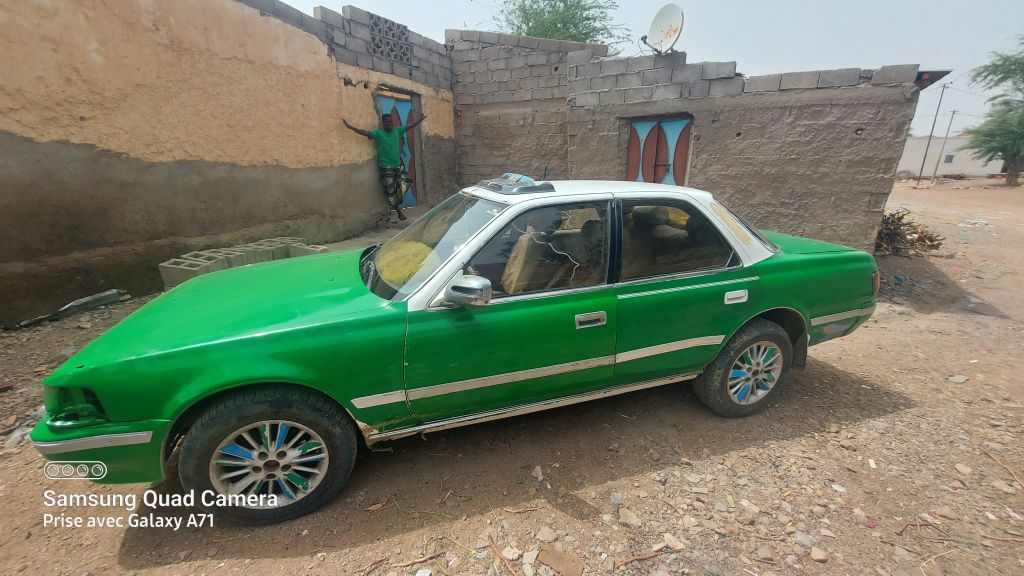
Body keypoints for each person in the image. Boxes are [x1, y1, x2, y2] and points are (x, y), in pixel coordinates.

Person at [344, 112, 426, 221]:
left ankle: (399, 201)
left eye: (391, 122)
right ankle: (399, 212)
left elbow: (410, 125)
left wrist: (421, 119)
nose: (390, 124)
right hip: (386, 168)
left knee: (405, 183)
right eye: (388, 122)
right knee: (390, 192)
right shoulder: (378, 134)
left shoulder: (397, 130)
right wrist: (350, 127)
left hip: (398, 166)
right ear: (384, 123)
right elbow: (364, 132)